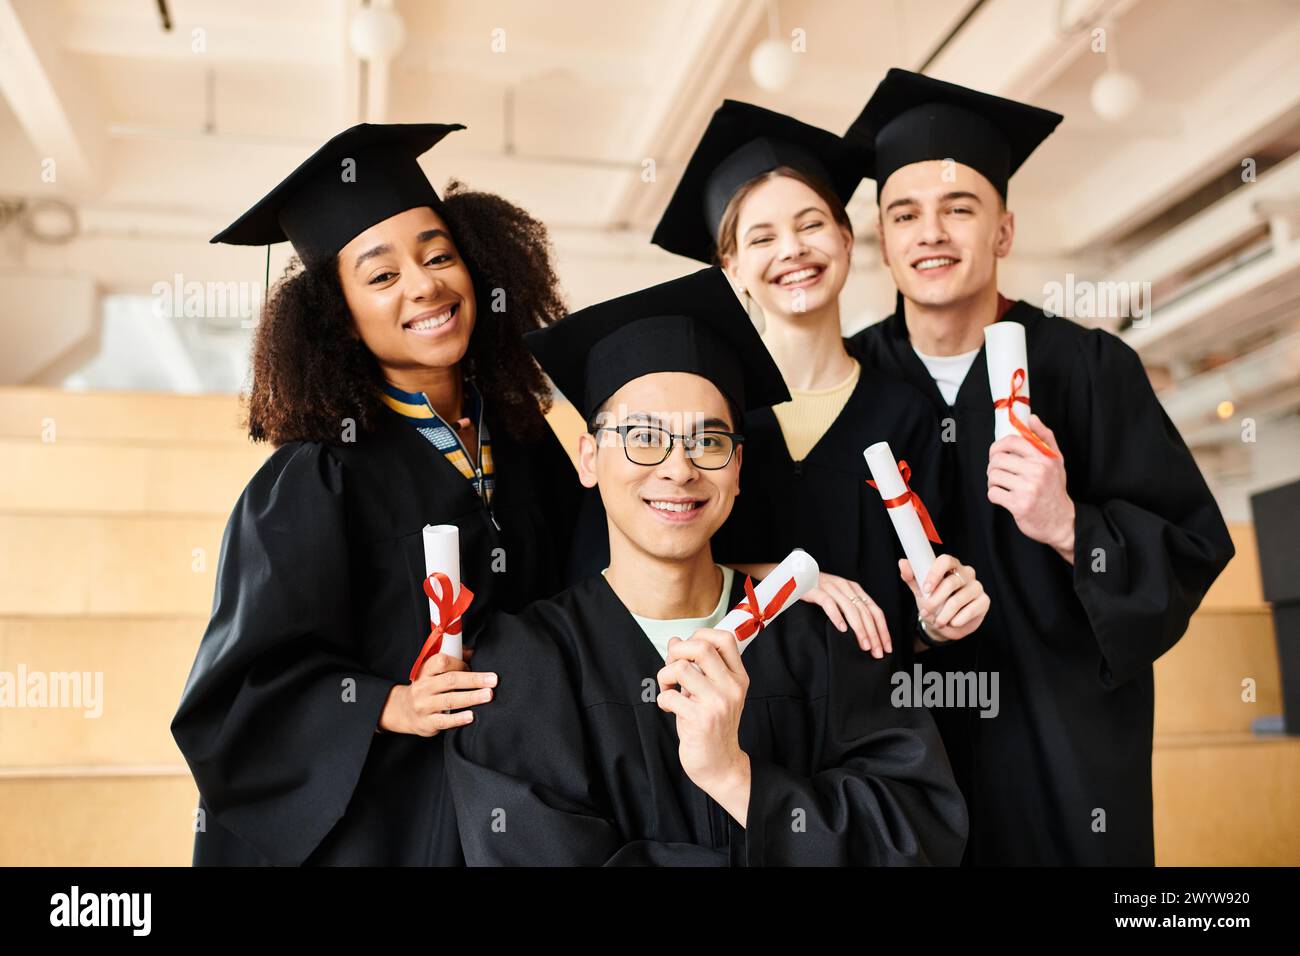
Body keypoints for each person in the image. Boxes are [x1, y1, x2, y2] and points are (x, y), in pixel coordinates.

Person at [445, 267, 968, 866]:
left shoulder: (818, 641)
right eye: (643, 436)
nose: (679, 468)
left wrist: (738, 780)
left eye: (709, 442)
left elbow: (920, 832)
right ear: (589, 458)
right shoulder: (525, 665)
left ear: (739, 469)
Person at [847, 69, 1235, 864]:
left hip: (1065, 748)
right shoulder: (852, 384)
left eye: (960, 208)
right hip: (910, 745)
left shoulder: (1091, 369)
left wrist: (1069, 526)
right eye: (905, 214)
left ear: (1004, 231)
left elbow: (1190, 548)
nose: (931, 233)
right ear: (882, 240)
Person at [171, 122, 580, 865]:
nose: (425, 286)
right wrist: (388, 704)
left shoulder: (525, 440)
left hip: (524, 802)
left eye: (439, 256)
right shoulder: (316, 477)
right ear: (340, 319)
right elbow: (244, 691)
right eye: (382, 275)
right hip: (388, 824)